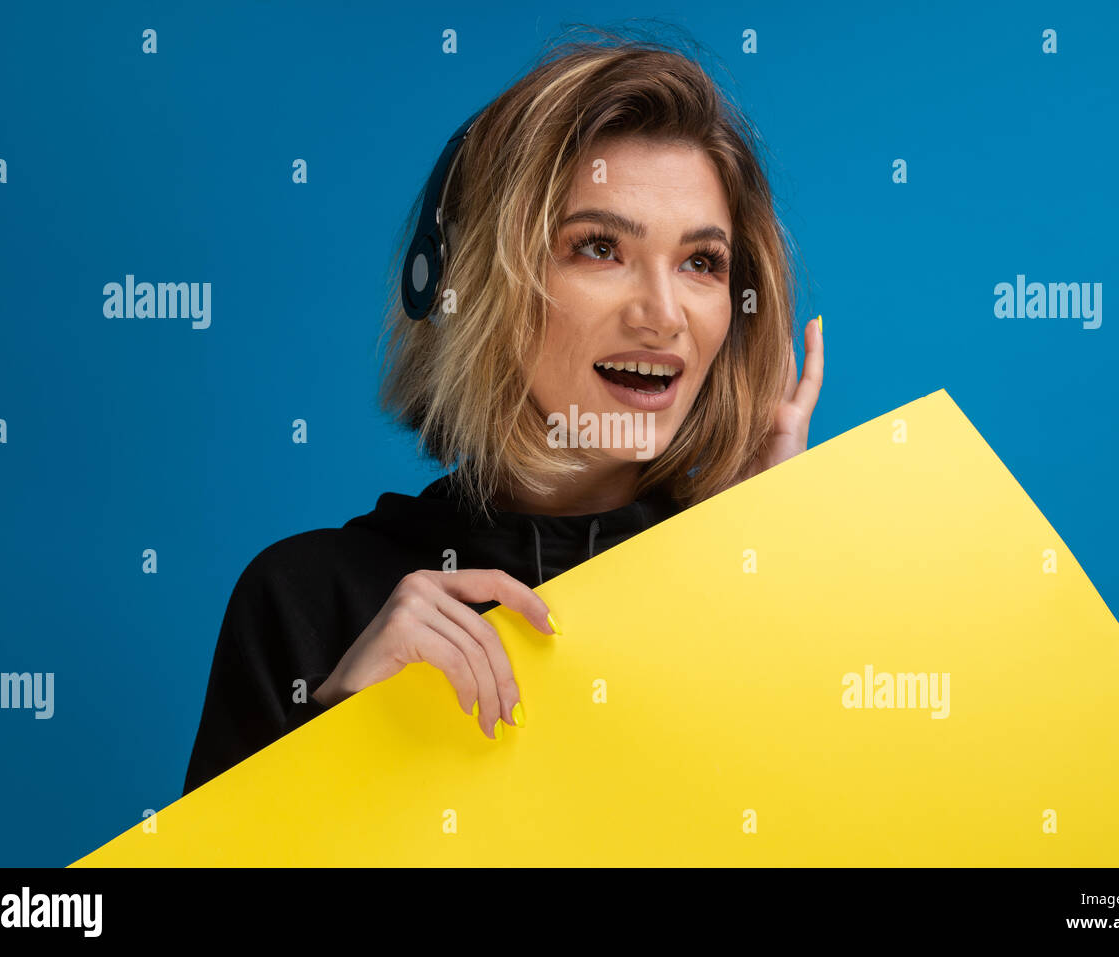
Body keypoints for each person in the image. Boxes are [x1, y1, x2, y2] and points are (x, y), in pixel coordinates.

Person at [182, 27, 823, 797]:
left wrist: (772, 575)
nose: (663, 313)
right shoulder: (305, 601)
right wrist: (343, 741)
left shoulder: (776, 594)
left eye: (700, 263)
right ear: (472, 284)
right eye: (598, 248)